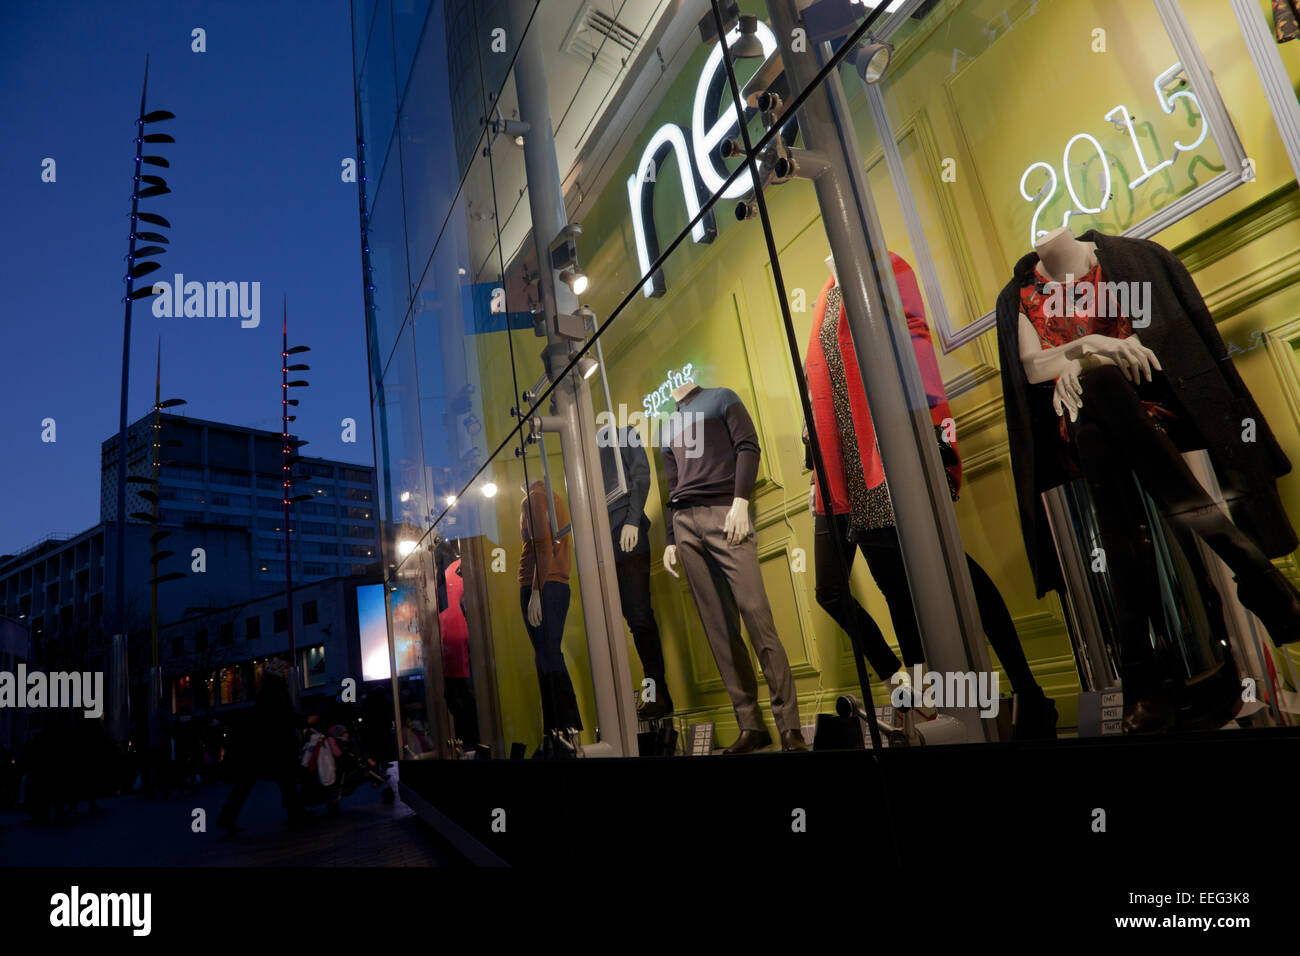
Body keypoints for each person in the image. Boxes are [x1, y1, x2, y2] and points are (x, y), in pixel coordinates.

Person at [215, 658, 309, 832]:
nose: (288, 674)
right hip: (271, 746)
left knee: (250, 784)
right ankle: (296, 812)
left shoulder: (268, 688)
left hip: (261, 746)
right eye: (286, 671)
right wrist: (304, 721)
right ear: (279, 672)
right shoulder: (276, 690)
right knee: (283, 779)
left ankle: (227, 818)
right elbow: (283, 716)